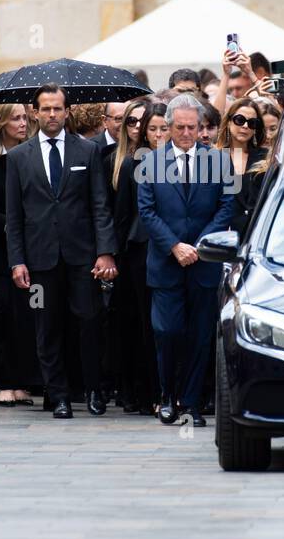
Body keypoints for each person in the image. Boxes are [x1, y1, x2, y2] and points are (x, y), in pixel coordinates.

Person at [6, 83, 117, 418]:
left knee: (89, 322)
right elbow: (14, 216)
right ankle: (59, 395)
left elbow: (100, 204)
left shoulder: (87, 151)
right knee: (46, 326)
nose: (52, 114)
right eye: (46, 108)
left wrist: (105, 251)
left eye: (58, 108)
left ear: (67, 112)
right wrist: (17, 261)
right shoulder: (18, 157)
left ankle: (94, 390)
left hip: (82, 257)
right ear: (35, 112)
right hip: (40, 260)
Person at [137, 94, 235, 428]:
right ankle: (167, 396)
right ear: (168, 127)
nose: (186, 133)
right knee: (166, 331)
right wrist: (175, 246)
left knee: (200, 334)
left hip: (204, 262)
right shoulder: (149, 162)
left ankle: (191, 403)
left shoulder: (220, 161)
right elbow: (146, 212)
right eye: (179, 127)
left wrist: (200, 246)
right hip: (166, 263)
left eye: (192, 127)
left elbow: (227, 206)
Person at [112, 101, 166, 414]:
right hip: (139, 250)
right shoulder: (133, 164)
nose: (158, 134)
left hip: (174, 250)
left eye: (163, 128)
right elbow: (122, 215)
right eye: (152, 128)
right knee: (145, 324)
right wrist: (113, 257)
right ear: (143, 132)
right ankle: (148, 393)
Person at [0, 103, 40, 407]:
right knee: (2, 314)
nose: (23, 123)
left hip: (31, 248)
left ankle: (23, 380)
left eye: (24, 117)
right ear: (2, 123)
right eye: (15, 118)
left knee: (26, 316)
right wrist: (9, 224)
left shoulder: (31, 157)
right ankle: (5, 381)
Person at [215, 97, 267, 235]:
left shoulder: (266, 158)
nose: (245, 126)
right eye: (240, 120)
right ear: (228, 121)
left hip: (258, 234)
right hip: (223, 238)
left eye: (252, 123)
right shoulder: (212, 158)